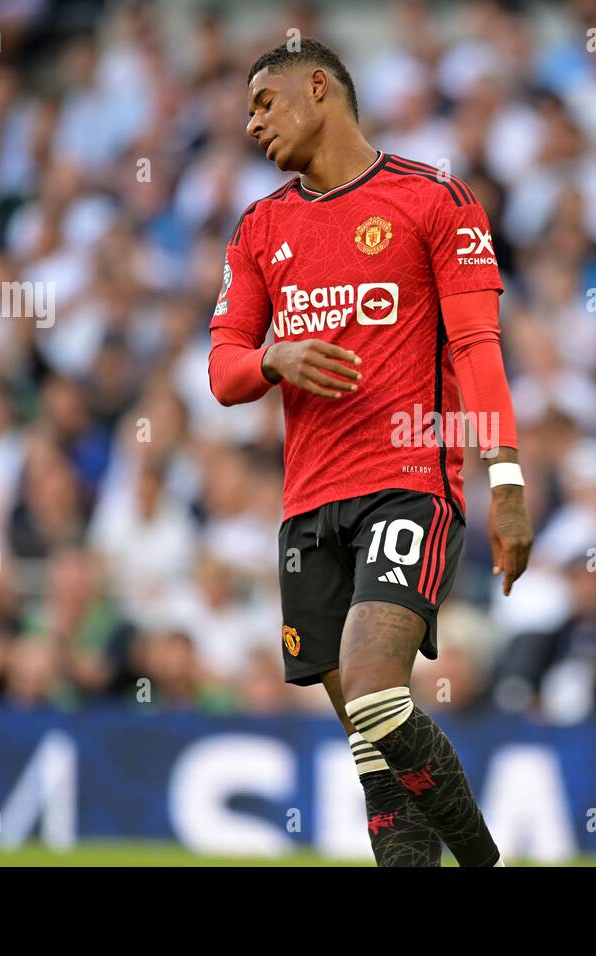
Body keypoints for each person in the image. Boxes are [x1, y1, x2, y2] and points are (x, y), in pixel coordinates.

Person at [208, 38, 531, 867]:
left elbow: (478, 350)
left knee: (380, 700)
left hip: (409, 480)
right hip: (308, 507)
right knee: (372, 757)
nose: (252, 125)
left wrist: (508, 481)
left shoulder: (434, 199)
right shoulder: (260, 227)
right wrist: (272, 358)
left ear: (319, 87)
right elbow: (224, 369)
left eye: (264, 103)